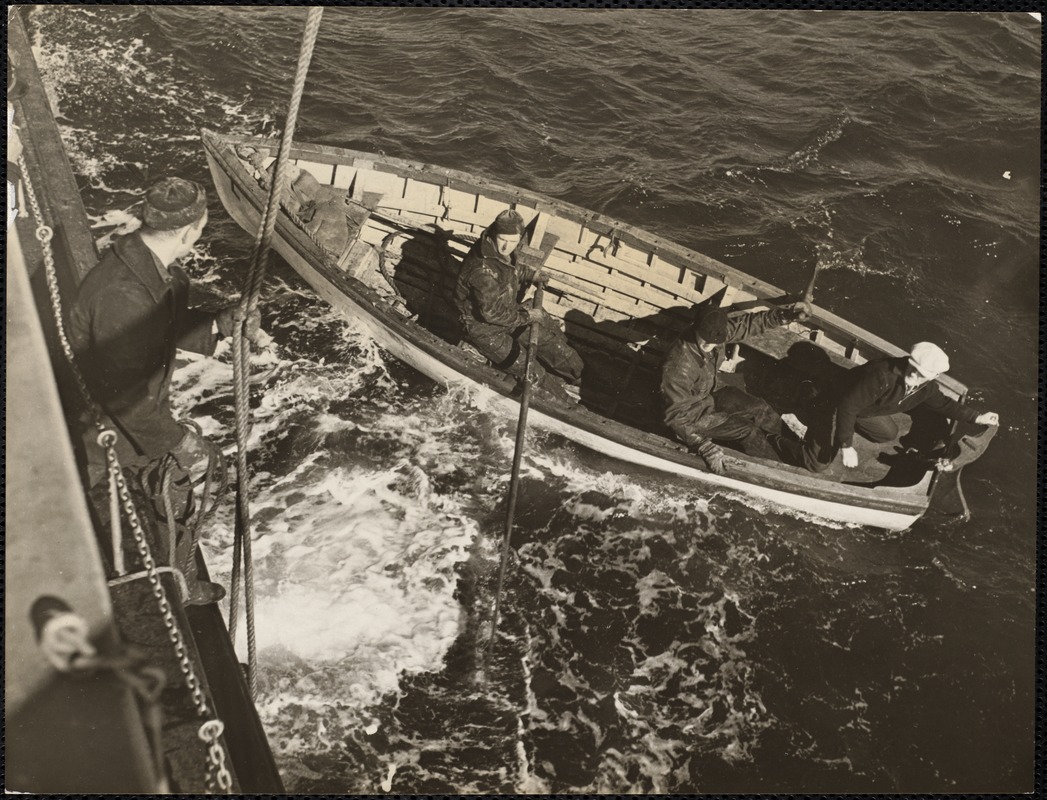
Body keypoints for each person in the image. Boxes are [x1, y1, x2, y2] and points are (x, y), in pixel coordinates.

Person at [70, 177, 265, 603]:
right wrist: (181, 442)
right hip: (107, 433)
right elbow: (125, 397)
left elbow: (159, 327)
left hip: (130, 417)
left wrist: (221, 321)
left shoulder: (155, 271)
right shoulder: (122, 293)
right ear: (191, 230)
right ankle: (164, 593)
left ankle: (180, 581)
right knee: (159, 500)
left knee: (174, 493)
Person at [798, 341, 999, 472]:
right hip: (835, 404)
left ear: (934, 377)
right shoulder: (881, 375)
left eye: (922, 375)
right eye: (913, 368)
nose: (914, 376)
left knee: (887, 433)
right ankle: (782, 437)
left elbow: (943, 403)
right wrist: (846, 445)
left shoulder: (927, 388)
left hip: (864, 410)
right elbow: (848, 406)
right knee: (817, 464)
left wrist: (977, 417)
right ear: (909, 361)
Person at [661, 300, 810, 473]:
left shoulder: (715, 332)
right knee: (748, 430)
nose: (710, 346)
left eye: (716, 341)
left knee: (760, 408)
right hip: (693, 417)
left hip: (711, 392)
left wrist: (785, 315)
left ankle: (798, 452)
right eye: (705, 340)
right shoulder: (680, 365)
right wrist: (702, 445)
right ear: (696, 328)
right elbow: (675, 416)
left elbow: (748, 324)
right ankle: (781, 471)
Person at [454, 209, 583, 394]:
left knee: (555, 347)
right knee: (532, 372)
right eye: (503, 240)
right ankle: (568, 406)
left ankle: (580, 378)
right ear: (493, 234)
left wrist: (532, 274)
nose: (507, 246)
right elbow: (490, 313)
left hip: (508, 313)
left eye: (513, 241)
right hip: (484, 329)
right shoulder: (483, 271)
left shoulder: (499, 250)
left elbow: (510, 270)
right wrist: (527, 317)